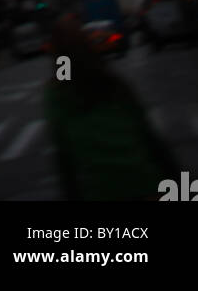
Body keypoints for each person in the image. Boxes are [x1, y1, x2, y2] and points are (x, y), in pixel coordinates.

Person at [44, 14, 178, 201]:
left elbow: (65, 160)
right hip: (145, 185)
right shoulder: (113, 84)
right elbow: (150, 139)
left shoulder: (58, 95)